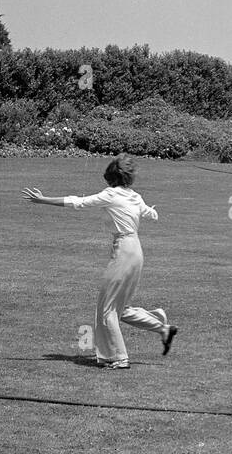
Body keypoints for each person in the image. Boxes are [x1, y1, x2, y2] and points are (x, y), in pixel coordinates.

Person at [23, 155, 177, 370]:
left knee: (107, 309)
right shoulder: (134, 196)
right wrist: (147, 211)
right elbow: (152, 215)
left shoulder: (110, 194)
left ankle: (119, 357)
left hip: (124, 250)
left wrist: (43, 199)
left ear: (110, 177)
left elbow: (78, 202)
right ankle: (161, 327)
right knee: (118, 308)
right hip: (136, 250)